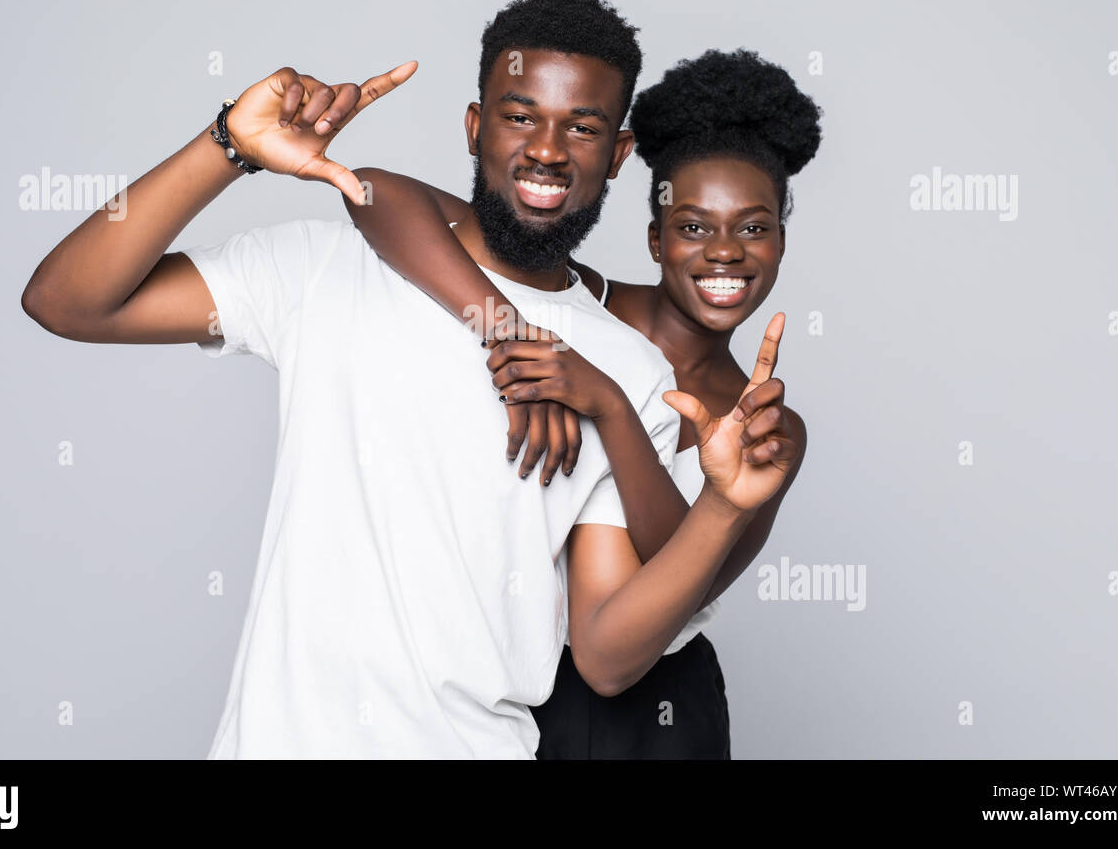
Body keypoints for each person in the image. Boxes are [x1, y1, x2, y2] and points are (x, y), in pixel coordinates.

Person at [18, 0, 793, 758]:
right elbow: (66, 301)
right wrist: (227, 146)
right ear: (474, 127)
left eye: (583, 128)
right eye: (520, 115)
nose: (549, 150)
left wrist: (722, 505)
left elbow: (605, 654)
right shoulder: (328, 266)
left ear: (619, 156)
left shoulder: (627, 373)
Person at [343, 47, 821, 758]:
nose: (725, 252)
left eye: (754, 227)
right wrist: (505, 326)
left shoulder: (768, 426)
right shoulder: (574, 300)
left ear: (781, 243)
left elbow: (684, 582)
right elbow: (372, 195)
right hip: (525, 683)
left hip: (662, 707)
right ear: (656, 239)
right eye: (693, 226)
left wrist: (613, 408)